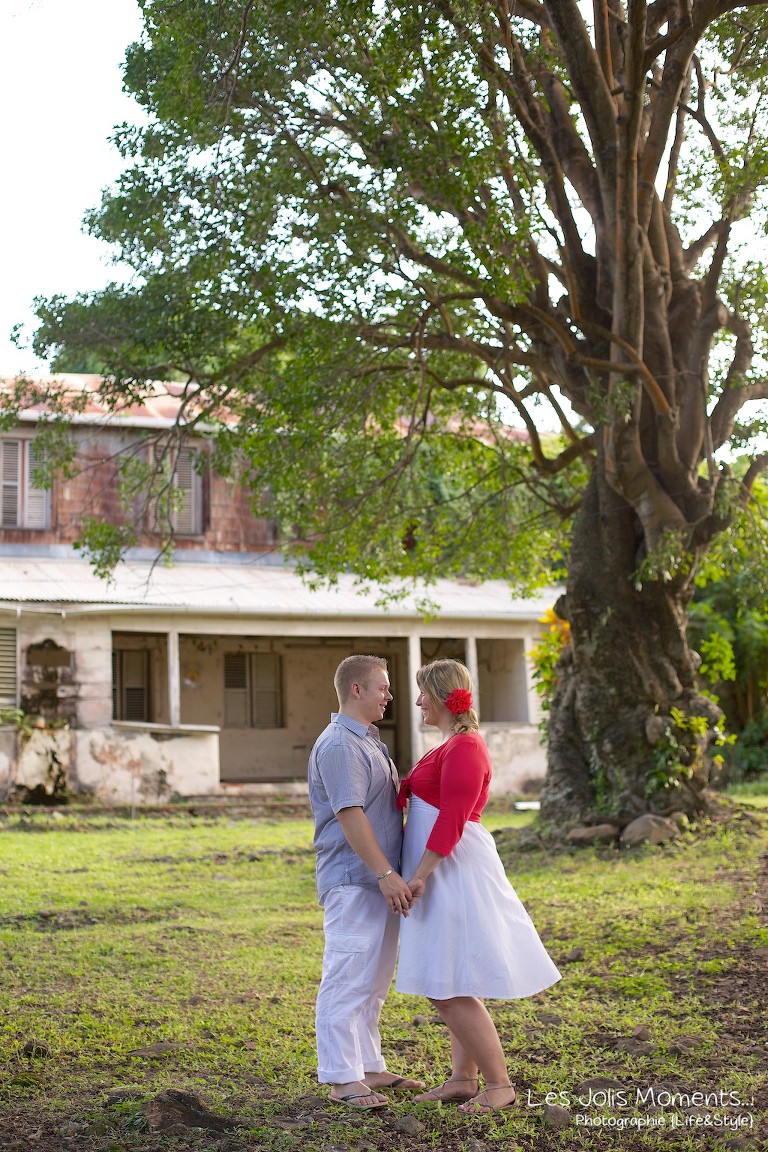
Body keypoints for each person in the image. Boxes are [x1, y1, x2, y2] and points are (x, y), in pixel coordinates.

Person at [395, 658, 561, 1115]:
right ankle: (463, 1079)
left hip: (452, 870)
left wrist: (421, 875)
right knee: (452, 974)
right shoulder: (449, 742)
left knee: (445, 986)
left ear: (444, 695)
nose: (417, 701)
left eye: (423, 692)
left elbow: (452, 819)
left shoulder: (466, 746)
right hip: (441, 866)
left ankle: (499, 1085)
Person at [308, 654, 425, 1109]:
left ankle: (369, 1066)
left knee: (374, 982)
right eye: (383, 687)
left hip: (379, 881)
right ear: (356, 689)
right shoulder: (340, 745)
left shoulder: (370, 740)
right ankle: (341, 1077)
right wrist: (385, 873)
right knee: (347, 976)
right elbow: (350, 815)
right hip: (357, 878)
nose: (391, 696)